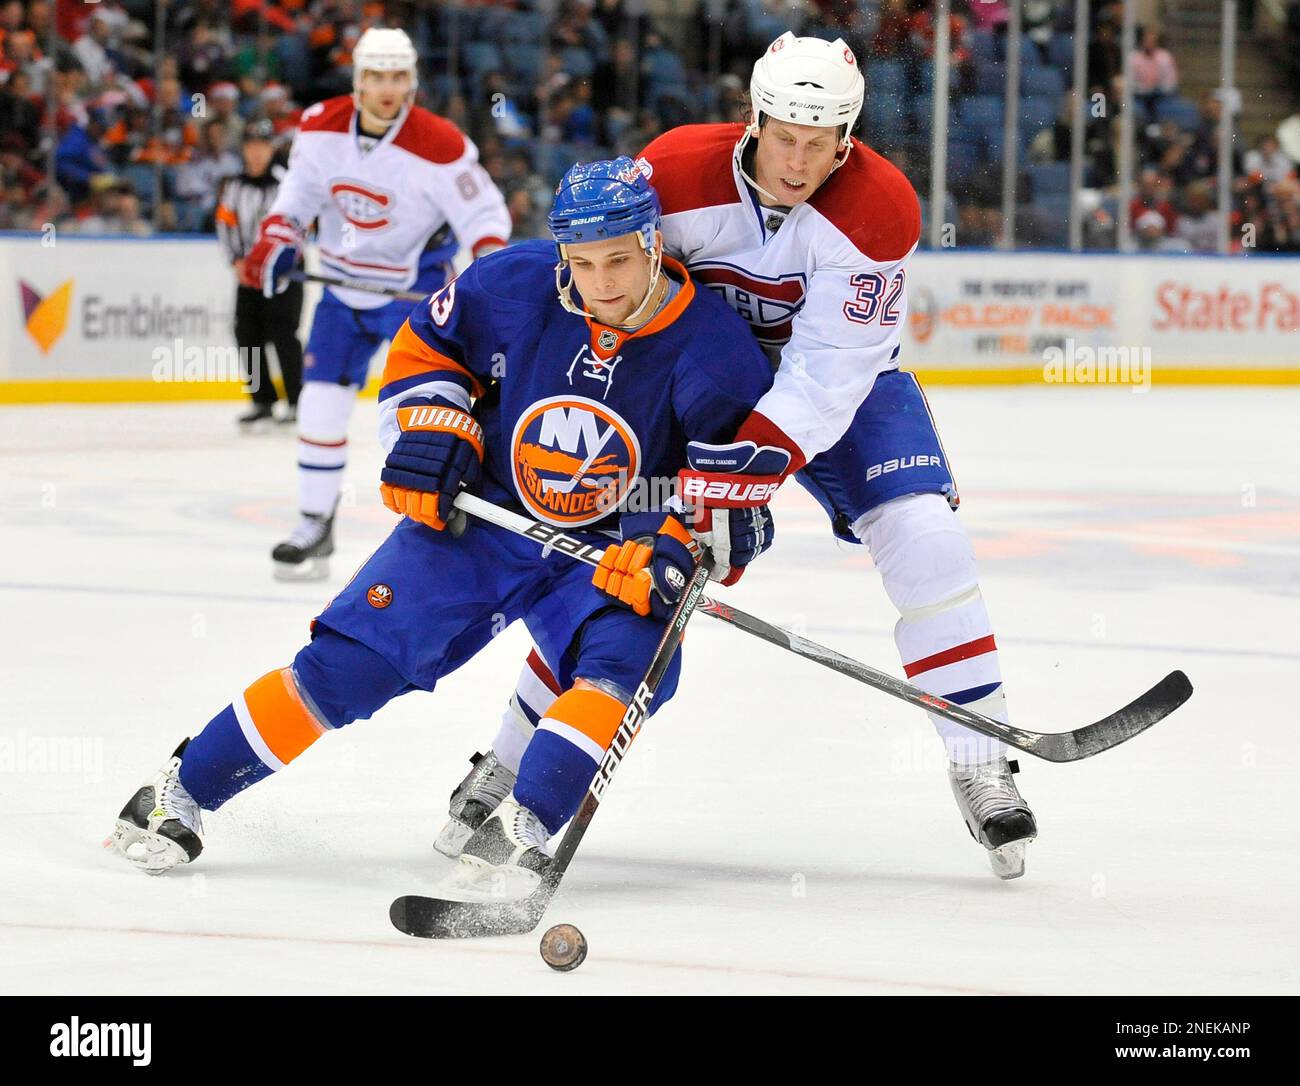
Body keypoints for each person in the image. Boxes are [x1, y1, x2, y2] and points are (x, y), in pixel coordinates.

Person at [440, 33, 1040, 881]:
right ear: (754, 119)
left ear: (849, 135)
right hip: (687, 386)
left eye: (821, 138)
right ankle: (508, 759)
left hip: (847, 392)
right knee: (625, 570)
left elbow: (831, 369)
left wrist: (746, 463)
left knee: (925, 535)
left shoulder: (881, 207)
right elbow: (616, 285)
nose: (800, 159)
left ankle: (982, 760)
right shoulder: (675, 173)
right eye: (785, 134)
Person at [107, 158, 777, 882]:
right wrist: (435, 427)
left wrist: (677, 546)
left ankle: (517, 823)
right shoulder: (513, 283)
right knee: (345, 668)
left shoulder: (717, 350)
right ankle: (179, 792)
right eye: (583, 263)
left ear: (653, 244)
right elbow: (425, 347)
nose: (603, 283)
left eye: (619, 260)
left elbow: (736, 493)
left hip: (614, 545)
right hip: (483, 516)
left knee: (625, 664)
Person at [240, 27, 511, 580]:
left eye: (397, 77)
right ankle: (314, 522)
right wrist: (278, 234)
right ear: (357, 80)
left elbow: (484, 214)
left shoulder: (440, 144)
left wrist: (490, 268)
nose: (387, 89)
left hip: (415, 294)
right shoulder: (318, 128)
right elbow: (299, 196)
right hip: (342, 289)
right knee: (317, 404)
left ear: (411, 81)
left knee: (426, 409)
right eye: (375, 76)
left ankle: (444, 514)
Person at [216, 119, 303, 428]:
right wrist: (236, 261)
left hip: (284, 273)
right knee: (246, 333)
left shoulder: (286, 183)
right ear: (244, 149)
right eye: (251, 146)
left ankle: (297, 401)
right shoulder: (234, 186)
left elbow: (299, 223)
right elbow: (225, 224)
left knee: (283, 333)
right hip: (248, 275)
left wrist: (281, 260)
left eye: (262, 146)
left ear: (270, 149)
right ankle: (262, 400)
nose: (256, 152)